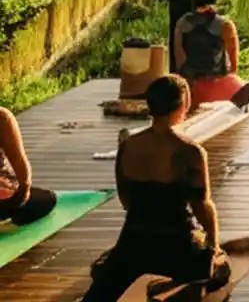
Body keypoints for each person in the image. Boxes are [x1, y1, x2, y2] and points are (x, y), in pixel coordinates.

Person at [83, 75, 230, 301]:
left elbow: (126, 200)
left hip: (134, 240)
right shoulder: (189, 151)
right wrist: (214, 245)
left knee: (105, 281)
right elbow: (202, 205)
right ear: (182, 105)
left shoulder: (128, 146)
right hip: (177, 243)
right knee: (220, 272)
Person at [173, 0, 249, 108]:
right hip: (217, 83)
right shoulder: (224, 25)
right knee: (236, 84)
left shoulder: (182, 23)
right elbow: (233, 63)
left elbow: (179, 57)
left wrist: (185, 80)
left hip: (190, 86)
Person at [0, 106, 56, 226]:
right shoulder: (2, 117)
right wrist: (22, 192)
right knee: (46, 199)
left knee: (43, 199)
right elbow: (19, 161)